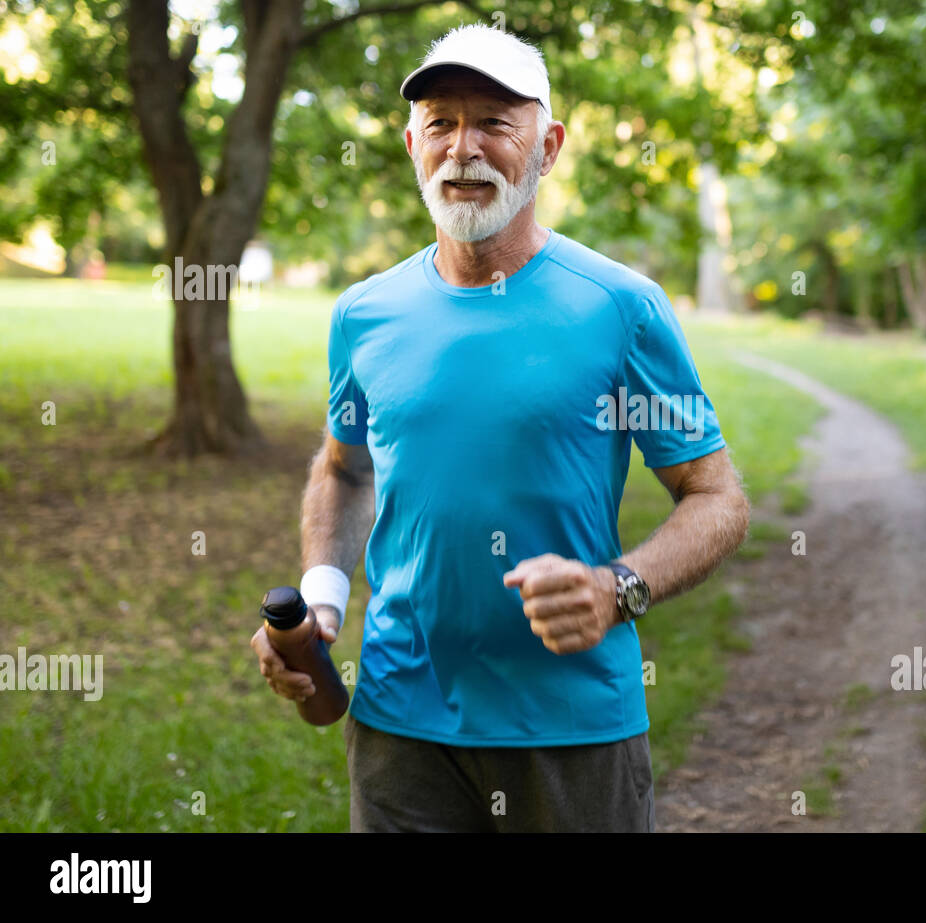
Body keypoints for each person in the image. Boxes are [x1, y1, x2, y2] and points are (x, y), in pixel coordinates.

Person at [249, 23, 749, 832]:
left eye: (493, 121)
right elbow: (345, 469)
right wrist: (320, 603)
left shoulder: (620, 307)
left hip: (572, 725)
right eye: (441, 122)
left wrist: (617, 587)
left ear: (547, 147)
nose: (463, 148)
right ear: (413, 143)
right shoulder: (364, 313)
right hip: (398, 722)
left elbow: (717, 494)